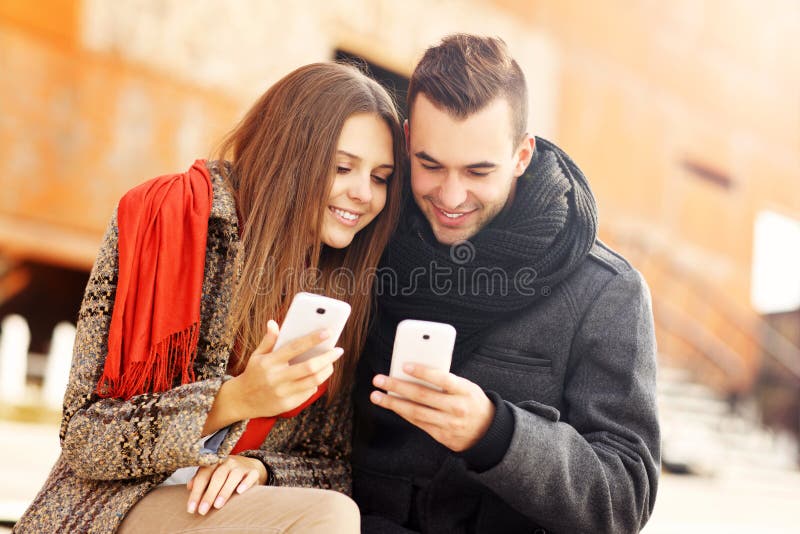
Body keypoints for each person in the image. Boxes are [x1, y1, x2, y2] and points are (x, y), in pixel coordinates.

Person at [14, 62, 404, 534]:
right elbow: (86, 439)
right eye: (342, 167)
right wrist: (234, 399)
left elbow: (331, 462)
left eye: (380, 177)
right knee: (330, 518)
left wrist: (264, 468)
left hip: (222, 512)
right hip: (111, 510)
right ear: (290, 154)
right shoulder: (168, 218)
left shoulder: (337, 284)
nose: (362, 193)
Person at [351, 34, 660, 533]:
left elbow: (624, 497)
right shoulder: (366, 235)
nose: (451, 196)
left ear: (521, 156)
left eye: (479, 171)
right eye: (430, 165)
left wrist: (495, 433)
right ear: (407, 142)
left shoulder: (606, 291)